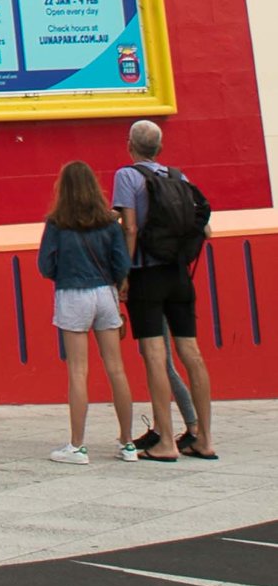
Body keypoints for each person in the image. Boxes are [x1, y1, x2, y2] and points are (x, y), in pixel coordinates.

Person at [113, 118, 215, 462]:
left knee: (155, 355)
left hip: (146, 273)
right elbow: (205, 226)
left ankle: (166, 441)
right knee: (192, 353)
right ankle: (204, 439)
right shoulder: (178, 176)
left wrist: (123, 273)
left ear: (130, 145)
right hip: (179, 274)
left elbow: (129, 226)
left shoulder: (127, 176)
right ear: (160, 148)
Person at [37, 162, 137, 462]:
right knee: (116, 369)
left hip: (72, 294)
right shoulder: (109, 223)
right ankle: (128, 442)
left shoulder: (57, 223)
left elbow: (45, 265)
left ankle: (78, 445)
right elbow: (121, 264)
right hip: (105, 294)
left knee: (78, 372)